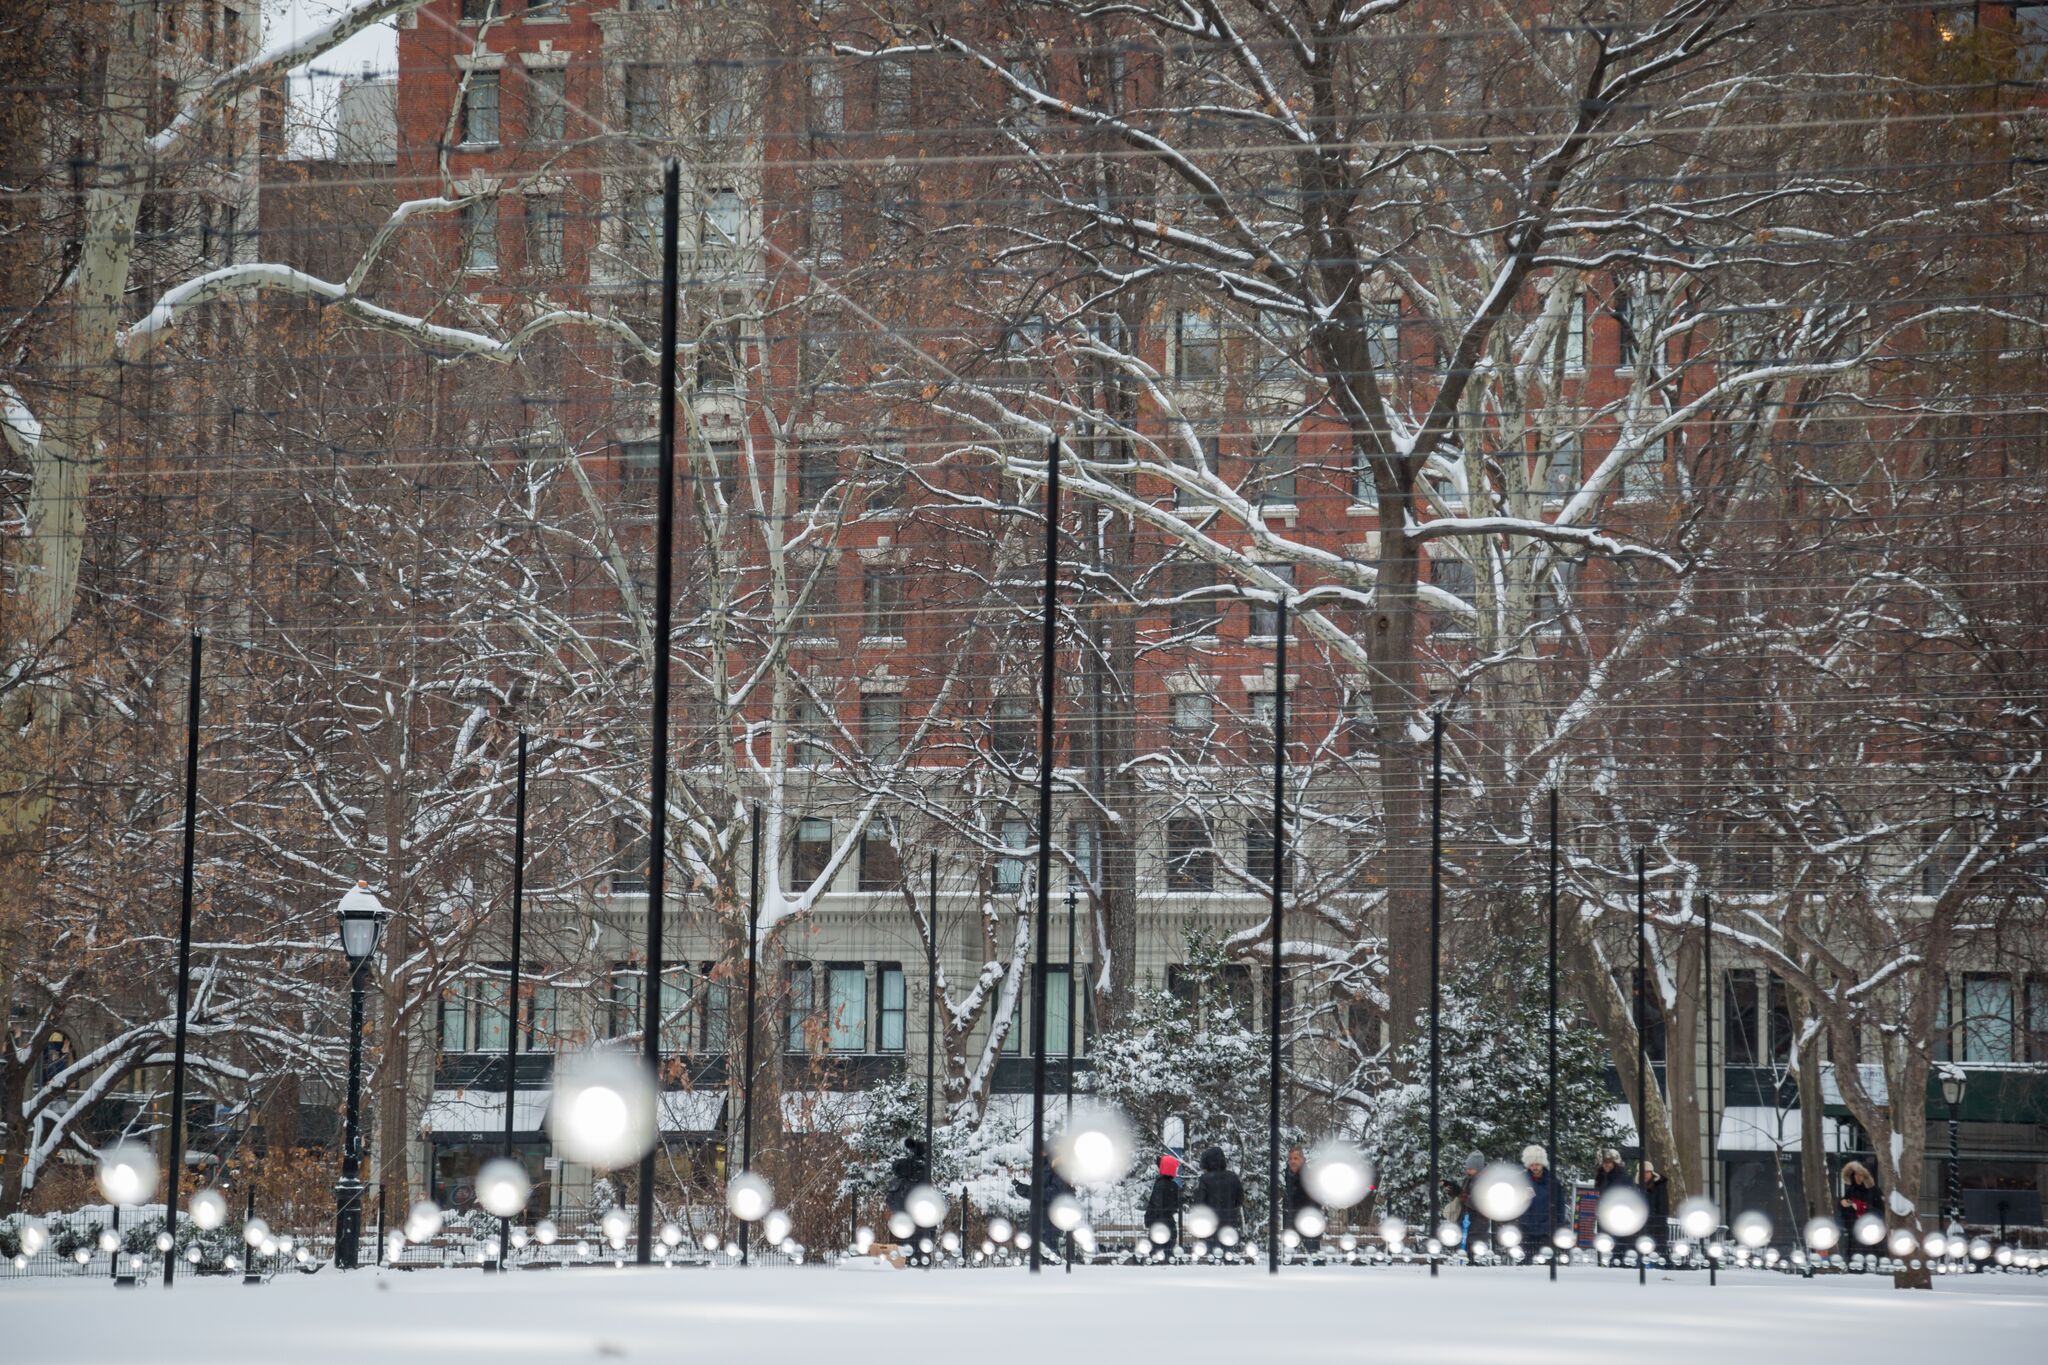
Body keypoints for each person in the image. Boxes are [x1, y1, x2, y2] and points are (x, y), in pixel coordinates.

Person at [1011, 1144, 1073, 1262]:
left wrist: (1030, 1191)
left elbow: (1054, 1192)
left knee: (1049, 1249)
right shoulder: (1040, 1168)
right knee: (1039, 1250)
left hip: (1050, 1216)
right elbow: (1038, 1193)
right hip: (1038, 1215)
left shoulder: (1057, 1167)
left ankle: (1054, 1274)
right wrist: (1023, 1190)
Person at [887, 1136, 930, 1263]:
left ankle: (909, 1261)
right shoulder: (920, 1168)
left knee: (908, 1244)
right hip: (915, 1212)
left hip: (906, 1212)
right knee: (916, 1244)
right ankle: (914, 1261)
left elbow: (897, 1167)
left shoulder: (910, 1169)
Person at [1195, 1146, 1245, 1251]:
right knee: (1228, 1253)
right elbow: (1240, 1199)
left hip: (1210, 1223)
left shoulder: (1205, 1179)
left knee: (1211, 1254)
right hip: (1229, 1221)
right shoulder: (1232, 1177)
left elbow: (1200, 1202)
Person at [1517, 1144, 1557, 1251]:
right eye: (1532, 1164)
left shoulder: (1553, 1182)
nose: (1535, 1167)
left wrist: (1555, 1225)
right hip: (1525, 1230)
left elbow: (1559, 1206)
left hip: (1546, 1232)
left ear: (1543, 1164)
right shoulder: (1522, 1180)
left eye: (1537, 1164)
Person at [1283, 1147, 1322, 1254]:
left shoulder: (1309, 1176)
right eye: (1290, 1158)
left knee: (1312, 1256)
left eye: (1296, 1158)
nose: (1292, 1161)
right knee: (1289, 1259)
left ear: (1303, 1160)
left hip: (1308, 1223)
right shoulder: (1287, 1176)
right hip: (1290, 1224)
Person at [1143, 1154, 1183, 1260]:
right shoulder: (1174, 1186)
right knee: (1169, 1247)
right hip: (1169, 1219)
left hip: (1157, 1219)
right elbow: (1176, 1205)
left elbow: (1155, 1203)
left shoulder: (1159, 1184)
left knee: (1155, 1247)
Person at [1454, 1150, 1491, 1248]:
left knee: (1476, 1251)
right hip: (1465, 1222)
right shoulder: (1467, 1180)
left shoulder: (1485, 1182)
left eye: (1471, 1169)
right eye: (1467, 1168)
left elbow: (1481, 1203)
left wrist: (1464, 1197)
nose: (1468, 1171)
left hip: (1478, 1226)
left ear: (1478, 1168)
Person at [1837, 1160, 1882, 1237]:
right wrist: (1843, 1204)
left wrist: (1863, 1207)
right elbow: (1842, 1210)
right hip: (1853, 1228)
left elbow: (1880, 1209)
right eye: (1856, 1175)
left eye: (1860, 1175)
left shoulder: (1874, 1190)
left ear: (1865, 1176)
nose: (1858, 1177)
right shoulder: (1851, 1190)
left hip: (1871, 1228)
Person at [1638, 1159, 1670, 1251]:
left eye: (1647, 1172)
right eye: (1643, 1172)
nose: (1645, 1174)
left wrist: (1658, 1222)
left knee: (1658, 1251)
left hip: (1657, 1226)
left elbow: (1663, 1206)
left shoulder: (1659, 1186)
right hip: (1642, 1225)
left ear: (1652, 1173)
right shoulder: (1637, 1186)